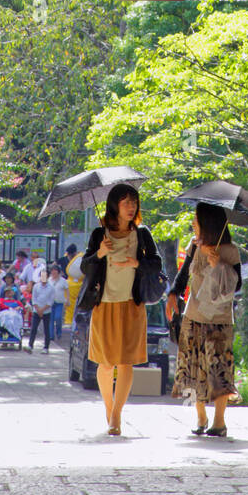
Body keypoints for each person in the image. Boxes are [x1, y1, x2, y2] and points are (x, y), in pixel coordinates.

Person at [79, 183, 163, 436]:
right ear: (114, 205)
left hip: (131, 304)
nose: (131, 207)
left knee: (126, 363)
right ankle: (109, 408)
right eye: (126, 202)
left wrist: (136, 262)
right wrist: (100, 254)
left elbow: (157, 264)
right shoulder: (99, 234)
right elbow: (84, 267)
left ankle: (117, 415)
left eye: (134, 203)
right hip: (104, 305)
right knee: (106, 364)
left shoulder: (142, 233)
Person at [167, 202, 242, 438]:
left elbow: (237, 284)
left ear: (208, 224)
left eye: (197, 221)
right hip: (193, 316)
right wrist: (172, 294)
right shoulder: (194, 246)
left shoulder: (231, 251)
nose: (193, 224)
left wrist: (218, 264)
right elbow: (182, 276)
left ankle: (219, 422)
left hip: (219, 320)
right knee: (191, 367)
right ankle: (200, 416)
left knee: (219, 369)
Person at [26, 266, 52, 353]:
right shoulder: (36, 286)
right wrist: (38, 309)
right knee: (33, 328)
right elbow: (34, 299)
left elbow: (50, 301)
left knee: (46, 329)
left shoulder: (51, 288)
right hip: (36, 311)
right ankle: (30, 345)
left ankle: (46, 347)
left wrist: (43, 310)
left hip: (46, 311)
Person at [45, 263, 69, 343]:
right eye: (52, 272)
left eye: (55, 272)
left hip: (59, 302)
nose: (53, 273)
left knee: (58, 318)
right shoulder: (48, 280)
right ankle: (51, 335)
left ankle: (59, 332)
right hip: (50, 303)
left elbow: (67, 290)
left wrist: (67, 300)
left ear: (58, 272)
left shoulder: (63, 281)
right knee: (50, 319)